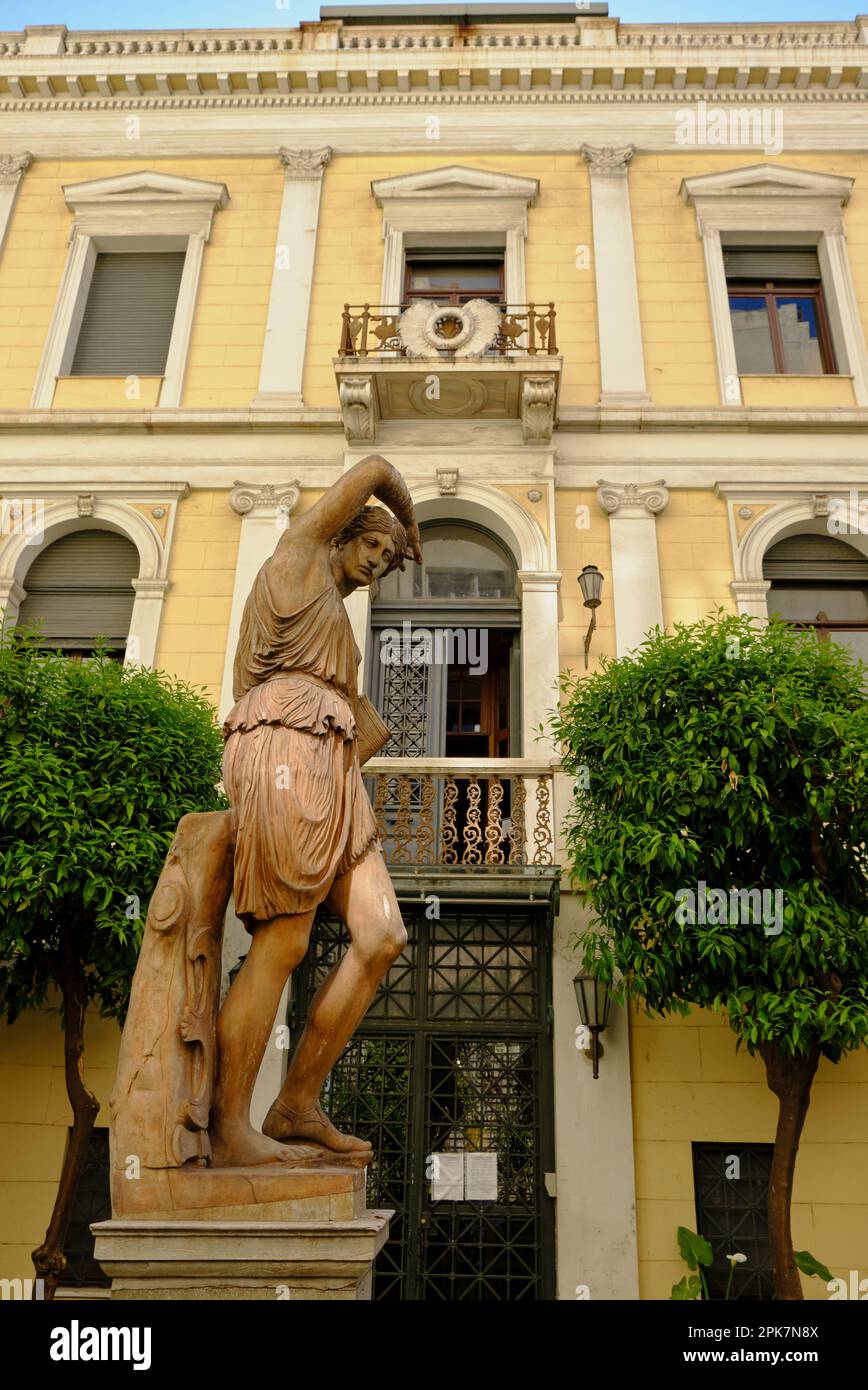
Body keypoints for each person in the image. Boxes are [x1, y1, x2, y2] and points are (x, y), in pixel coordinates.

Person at [209, 454, 422, 1166]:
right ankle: (232, 1128)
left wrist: (358, 737)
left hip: (328, 766)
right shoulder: (293, 559)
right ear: (340, 532)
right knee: (284, 941)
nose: (380, 561)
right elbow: (376, 466)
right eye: (373, 544)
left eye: (390, 556)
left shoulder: (335, 619)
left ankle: (295, 1104)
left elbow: (354, 727)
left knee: (383, 934)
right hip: (281, 747)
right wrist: (410, 516)